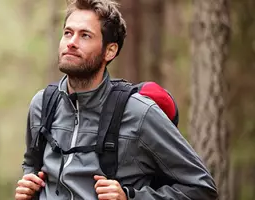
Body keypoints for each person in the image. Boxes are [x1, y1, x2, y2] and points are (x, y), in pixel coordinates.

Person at [15, 0, 218, 199]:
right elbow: (31, 164)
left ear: (110, 50)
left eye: (85, 35)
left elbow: (202, 189)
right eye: (68, 33)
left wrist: (129, 197)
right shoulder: (42, 104)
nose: (71, 42)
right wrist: (28, 185)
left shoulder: (139, 113)